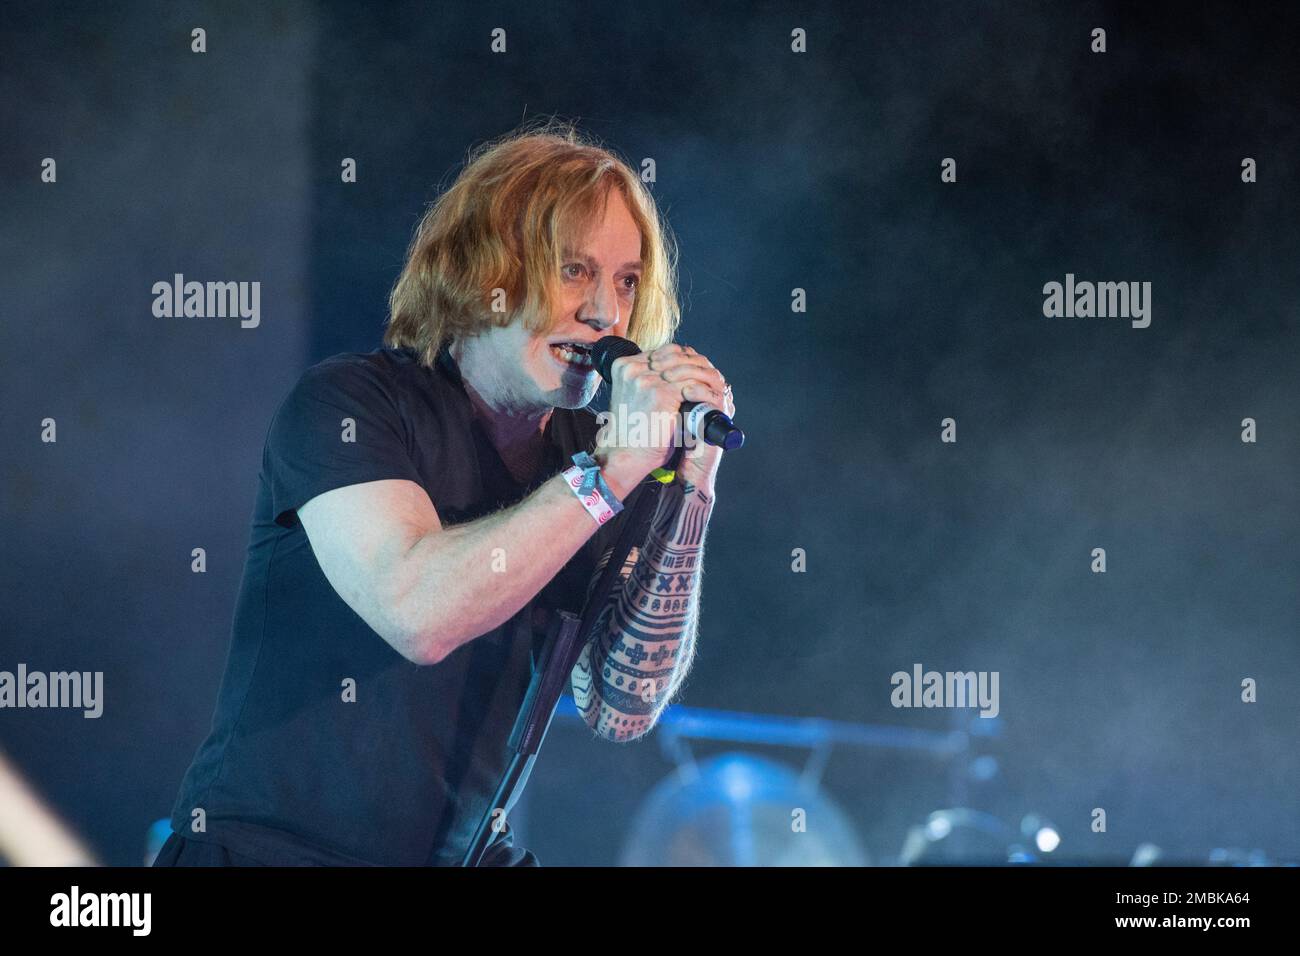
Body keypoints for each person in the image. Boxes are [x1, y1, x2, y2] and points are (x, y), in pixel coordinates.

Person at [156, 122, 735, 866]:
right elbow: (418, 613)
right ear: (483, 270)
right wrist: (610, 477)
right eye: (574, 271)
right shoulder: (351, 405)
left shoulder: (591, 458)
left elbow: (621, 708)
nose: (605, 314)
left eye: (625, 281)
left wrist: (690, 484)